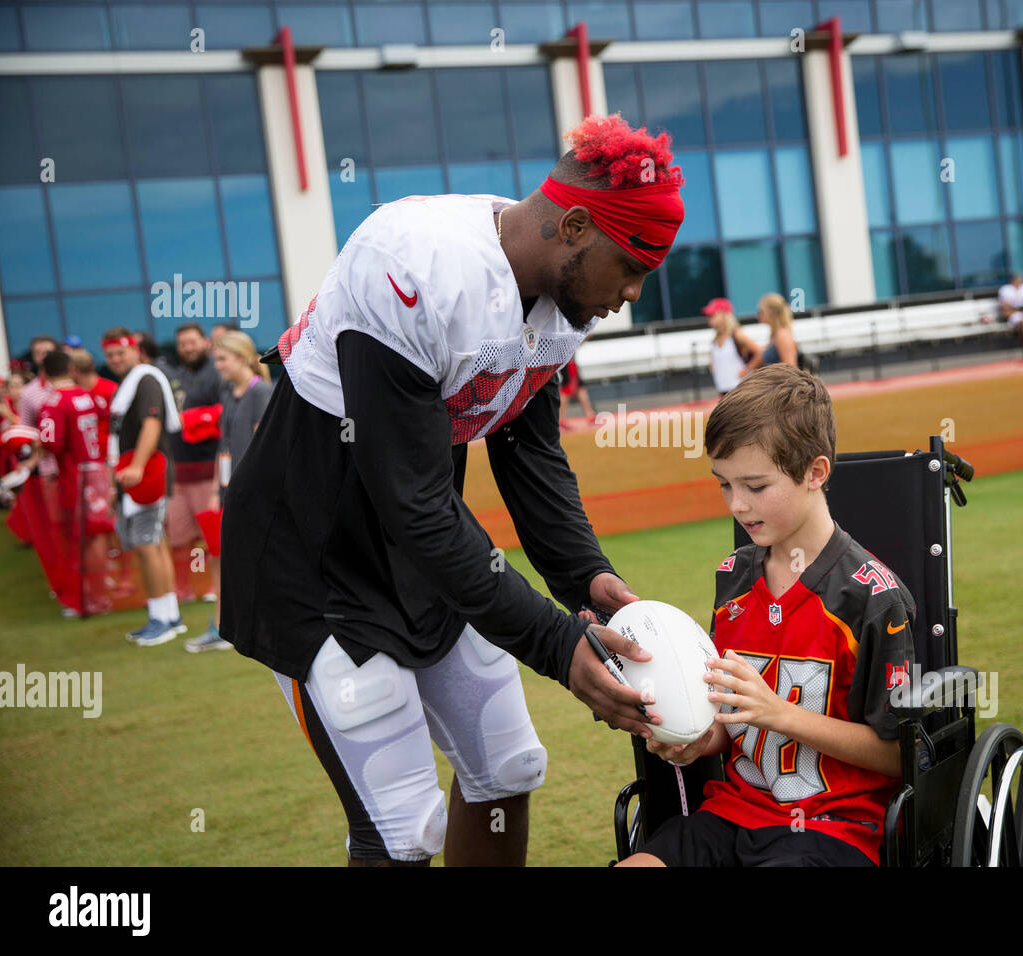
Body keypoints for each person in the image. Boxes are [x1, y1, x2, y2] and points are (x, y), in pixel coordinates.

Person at [220, 113, 684, 866]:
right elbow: (412, 500)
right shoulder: (414, 264)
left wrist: (584, 575)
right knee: (403, 832)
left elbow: (529, 455)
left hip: (421, 551)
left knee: (509, 768)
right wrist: (557, 642)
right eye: (630, 266)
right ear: (572, 226)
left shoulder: (559, 296)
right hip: (314, 558)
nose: (630, 293)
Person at [618, 364, 918, 867]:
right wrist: (692, 739)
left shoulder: (872, 597)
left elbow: (896, 755)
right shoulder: (733, 577)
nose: (737, 505)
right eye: (725, 485)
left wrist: (783, 714)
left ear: (815, 473)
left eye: (755, 486)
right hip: (732, 814)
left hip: (833, 827)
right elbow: (729, 721)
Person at [185, 331, 271, 653]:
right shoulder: (229, 393)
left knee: (246, 561)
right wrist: (214, 489)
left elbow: (265, 449)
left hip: (250, 496)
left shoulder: (260, 393)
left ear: (242, 358)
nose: (217, 365)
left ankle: (237, 626)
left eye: (222, 359)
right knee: (221, 559)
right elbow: (224, 446)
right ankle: (224, 625)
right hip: (227, 493)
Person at [103, 327, 185, 645]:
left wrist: (137, 465)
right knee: (153, 544)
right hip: (136, 475)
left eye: (120, 352)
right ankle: (168, 614)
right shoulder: (132, 382)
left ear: (136, 350)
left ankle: (161, 619)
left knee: (147, 544)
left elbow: (152, 423)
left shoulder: (145, 379)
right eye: (109, 355)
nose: (115, 359)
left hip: (146, 476)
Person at [34, 349, 111, 617]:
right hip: (98, 469)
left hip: (75, 475)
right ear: (70, 368)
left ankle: (91, 597)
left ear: (43, 373)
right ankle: (101, 592)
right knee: (98, 531)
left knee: (80, 536)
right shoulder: (86, 395)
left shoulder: (54, 402)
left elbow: (51, 442)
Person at [165, 323, 223, 604]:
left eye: (192, 342)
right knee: (178, 537)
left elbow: (225, 414)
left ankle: (217, 586)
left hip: (207, 470)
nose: (187, 349)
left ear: (205, 342)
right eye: (182, 344)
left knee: (211, 536)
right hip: (178, 472)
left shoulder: (216, 372)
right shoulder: (174, 376)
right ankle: (182, 588)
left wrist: (196, 420)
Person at [703, 298, 759, 396]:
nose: (709, 318)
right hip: (723, 390)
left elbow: (760, 352)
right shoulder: (716, 339)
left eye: (712, 315)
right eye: (708, 316)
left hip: (739, 389)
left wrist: (747, 369)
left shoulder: (736, 334)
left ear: (724, 314)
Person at [745, 293, 799, 373]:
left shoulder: (783, 335)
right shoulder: (775, 335)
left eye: (760, 312)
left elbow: (791, 370)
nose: (758, 316)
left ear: (771, 312)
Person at [556, 355, 597, 427]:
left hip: (572, 370)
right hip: (567, 371)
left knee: (583, 396)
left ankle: (591, 417)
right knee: (564, 399)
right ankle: (560, 421)